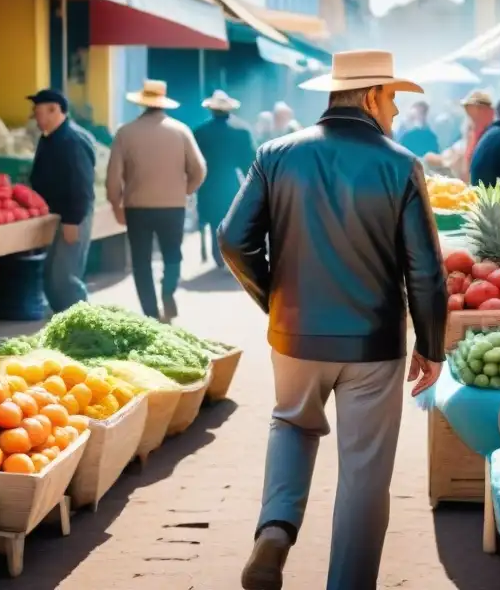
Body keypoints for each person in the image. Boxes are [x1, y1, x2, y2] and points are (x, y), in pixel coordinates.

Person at [220, 49, 446, 590]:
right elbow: (427, 271)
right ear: (371, 96)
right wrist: (432, 346)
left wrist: (273, 298)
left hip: (295, 336)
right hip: (373, 345)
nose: (394, 112)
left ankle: (274, 532)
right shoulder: (400, 164)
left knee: (292, 425)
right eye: (392, 98)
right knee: (365, 472)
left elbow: (232, 240)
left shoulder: (274, 154)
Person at [106, 80, 207, 322]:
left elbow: (112, 178)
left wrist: (115, 205)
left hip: (136, 207)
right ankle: (168, 292)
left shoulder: (125, 132)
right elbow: (199, 170)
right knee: (173, 255)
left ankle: (151, 313)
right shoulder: (181, 130)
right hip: (173, 207)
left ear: (141, 103)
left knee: (141, 263)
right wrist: (185, 191)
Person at [27, 89, 96, 313]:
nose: (36, 118)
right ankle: (63, 324)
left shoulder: (71, 140)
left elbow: (81, 185)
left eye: (39, 112)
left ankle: (86, 323)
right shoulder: (50, 137)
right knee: (51, 276)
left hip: (73, 217)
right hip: (58, 214)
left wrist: (72, 221)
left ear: (55, 110)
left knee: (65, 277)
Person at [193, 90, 256, 268]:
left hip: (208, 183)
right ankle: (234, 255)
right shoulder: (242, 130)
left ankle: (218, 256)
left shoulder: (200, 131)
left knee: (215, 221)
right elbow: (250, 161)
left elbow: (194, 160)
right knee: (234, 220)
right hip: (233, 182)